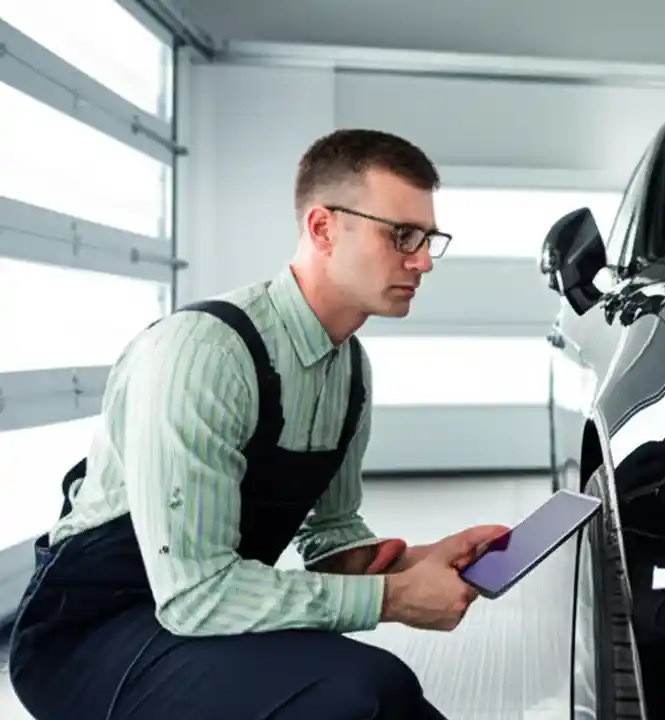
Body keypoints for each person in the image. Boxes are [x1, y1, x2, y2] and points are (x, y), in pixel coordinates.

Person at [6, 129, 508, 719]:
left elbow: (331, 536)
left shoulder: (350, 369)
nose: (422, 260)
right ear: (322, 228)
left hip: (203, 617)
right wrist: (392, 599)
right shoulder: (203, 354)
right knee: (356, 692)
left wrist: (416, 561)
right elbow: (194, 595)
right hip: (92, 638)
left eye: (428, 239)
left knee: (393, 697)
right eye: (401, 235)